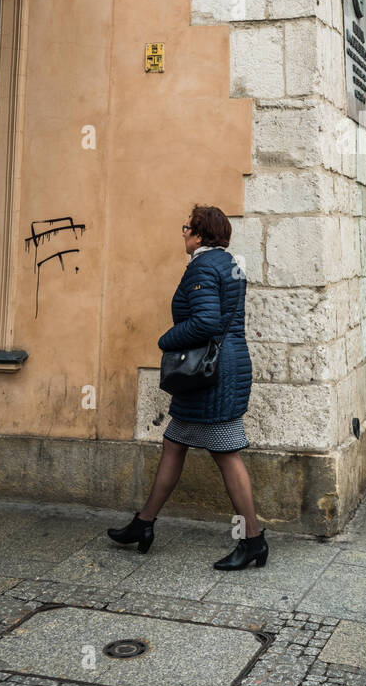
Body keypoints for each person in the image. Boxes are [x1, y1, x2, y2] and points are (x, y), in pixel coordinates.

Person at [107, 205, 265, 568]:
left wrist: (167, 340)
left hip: (211, 376)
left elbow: (207, 322)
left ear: (200, 235)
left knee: (226, 454)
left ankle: (253, 539)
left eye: (187, 228)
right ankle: (143, 523)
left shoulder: (203, 267)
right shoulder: (230, 263)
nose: (183, 234)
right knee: (174, 444)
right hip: (220, 370)